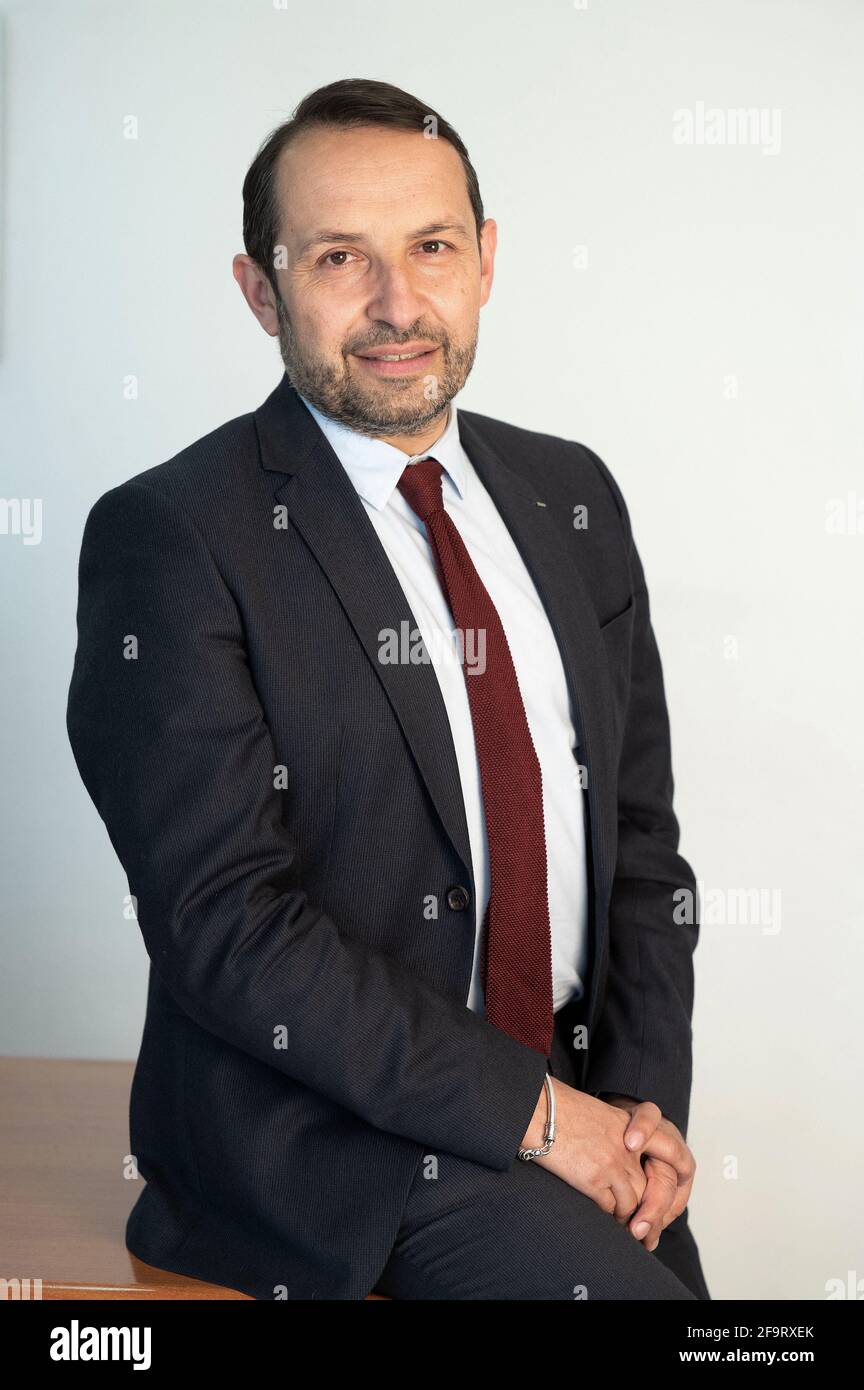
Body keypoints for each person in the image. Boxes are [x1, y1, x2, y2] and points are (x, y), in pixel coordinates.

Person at [66, 77, 709, 1300]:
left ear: (487, 261)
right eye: (338, 259)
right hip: (335, 1140)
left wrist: (636, 1101)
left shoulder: (572, 498)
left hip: (578, 1106)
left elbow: (642, 844)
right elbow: (228, 926)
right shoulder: (174, 537)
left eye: (431, 248)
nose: (397, 304)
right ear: (261, 289)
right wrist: (538, 1117)